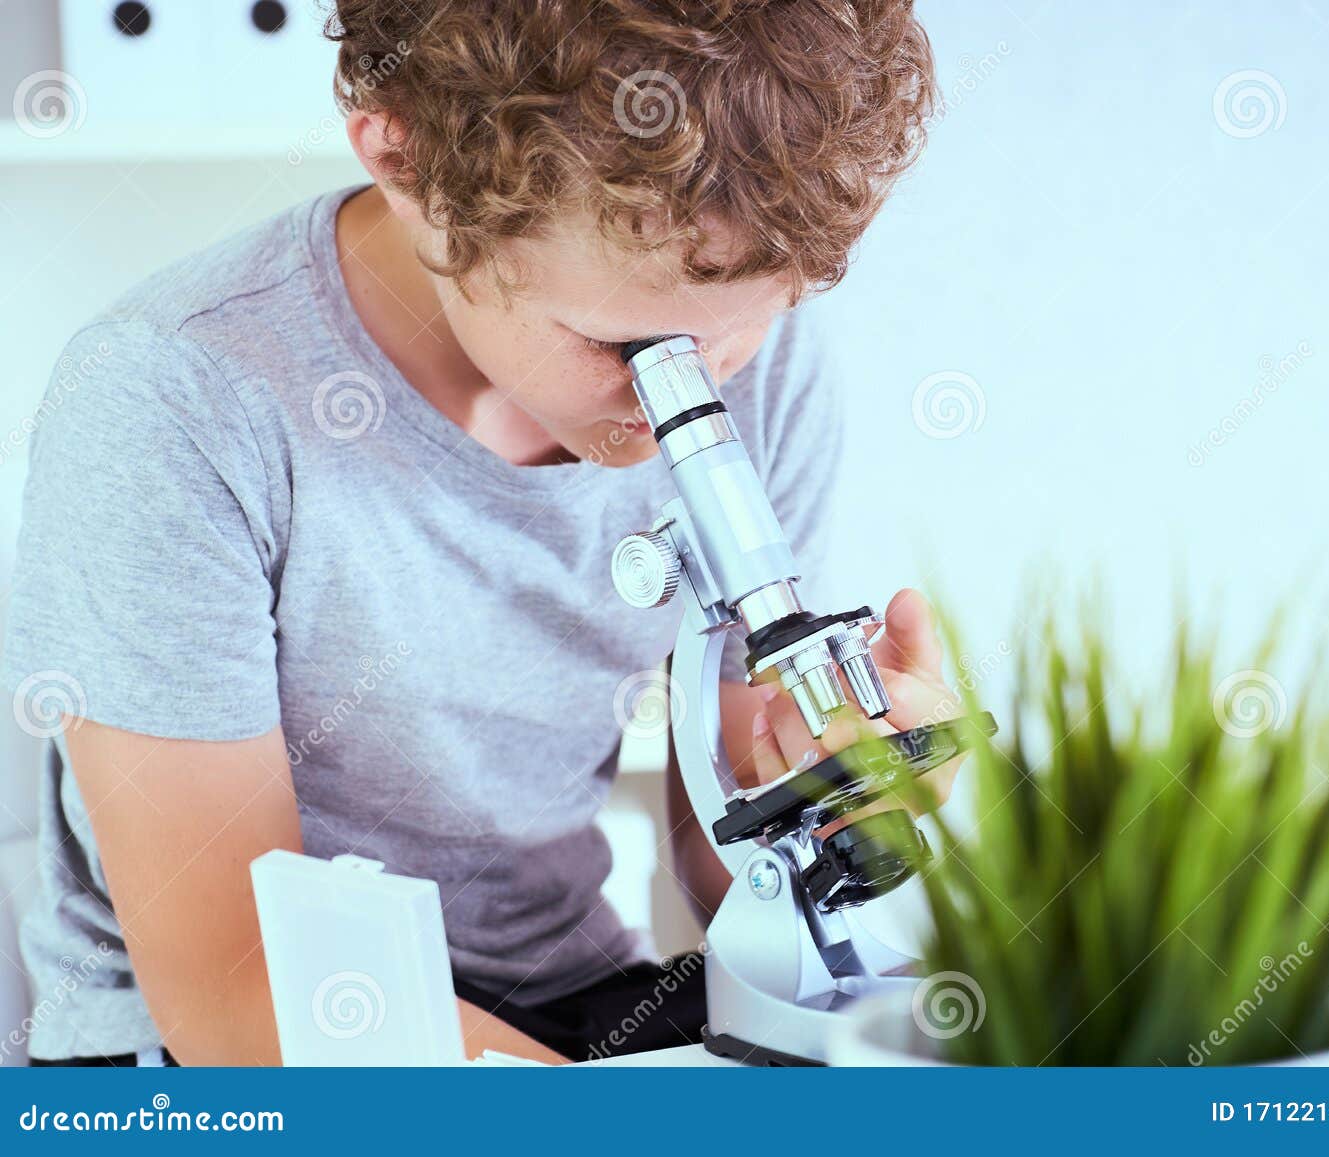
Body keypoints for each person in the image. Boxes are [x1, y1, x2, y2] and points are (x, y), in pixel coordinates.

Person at [2, 0, 967, 1065]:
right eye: (627, 346)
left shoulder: (754, 356)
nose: (694, 394)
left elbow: (720, 848)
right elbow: (236, 990)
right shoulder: (173, 397)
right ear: (401, 158)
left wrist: (835, 802)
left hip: (567, 994)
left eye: (752, 323)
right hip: (223, 1044)